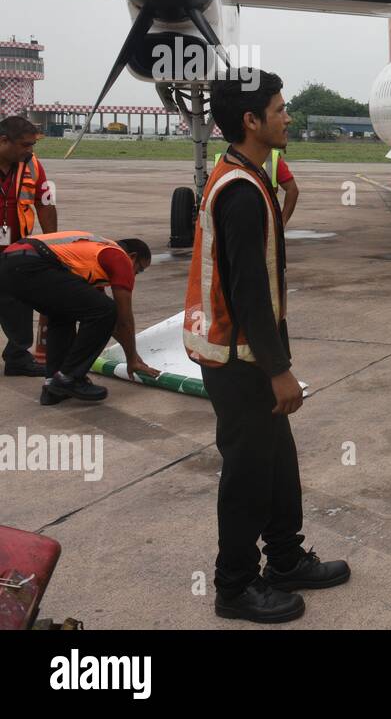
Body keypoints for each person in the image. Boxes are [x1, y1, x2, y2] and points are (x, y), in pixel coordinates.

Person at [185, 71, 349, 624]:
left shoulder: (248, 175)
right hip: (239, 360)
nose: (288, 117)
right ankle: (234, 585)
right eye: (279, 109)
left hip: (249, 354)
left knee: (278, 462)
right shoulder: (241, 191)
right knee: (249, 472)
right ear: (251, 121)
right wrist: (278, 370)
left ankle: (282, 558)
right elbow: (249, 290)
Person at [0, 231, 158, 404]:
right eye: (139, 269)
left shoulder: (93, 256)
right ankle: (69, 378)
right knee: (107, 309)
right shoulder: (118, 256)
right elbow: (123, 317)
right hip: (32, 264)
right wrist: (132, 359)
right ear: (132, 257)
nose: (134, 275)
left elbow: (108, 324)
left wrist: (132, 354)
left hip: (10, 265)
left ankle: (53, 387)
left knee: (64, 314)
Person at [0, 116, 58, 377]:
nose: (30, 151)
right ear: (4, 141)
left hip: (15, 248)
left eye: (33, 145)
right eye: (25, 145)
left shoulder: (33, 166)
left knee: (19, 299)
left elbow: (45, 204)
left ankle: (17, 357)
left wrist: (52, 245)